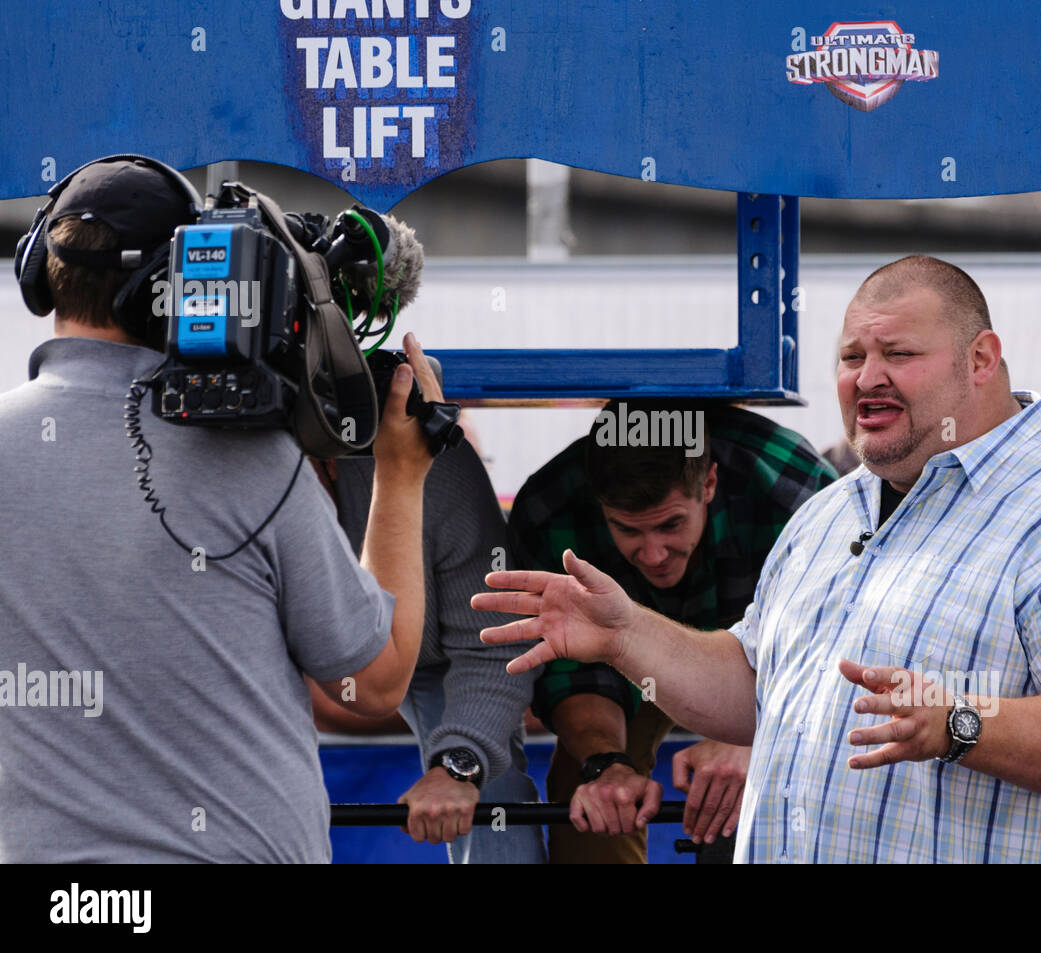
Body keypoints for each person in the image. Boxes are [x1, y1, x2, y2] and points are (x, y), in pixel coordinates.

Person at [478, 255, 1041, 863]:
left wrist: (961, 724)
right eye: (852, 357)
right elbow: (751, 684)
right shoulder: (830, 512)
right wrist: (626, 635)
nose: (867, 376)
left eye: (898, 355)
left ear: (982, 359)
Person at [0, 156, 432, 862]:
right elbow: (373, 680)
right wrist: (403, 470)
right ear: (173, 291)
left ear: (39, 272)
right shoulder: (250, 460)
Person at [509, 400, 836, 862]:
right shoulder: (549, 509)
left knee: (769, 777)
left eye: (671, 525)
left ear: (709, 484)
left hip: (774, 666)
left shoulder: (793, 492)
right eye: (628, 530)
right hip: (622, 656)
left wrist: (756, 735)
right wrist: (607, 765)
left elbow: (838, 645)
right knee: (591, 788)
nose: (655, 554)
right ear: (597, 502)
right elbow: (576, 675)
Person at [306, 440, 547, 863]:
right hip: (298, 666)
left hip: (438, 654)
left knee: (491, 790)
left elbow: (491, 644)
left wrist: (459, 766)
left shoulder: (437, 463)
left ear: (327, 461)